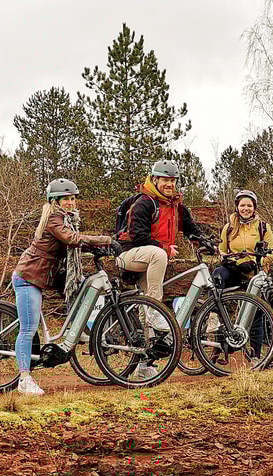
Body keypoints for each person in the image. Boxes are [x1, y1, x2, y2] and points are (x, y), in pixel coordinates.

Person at [11, 178, 122, 395]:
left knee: (81, 288)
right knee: (28, 329)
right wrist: (105, 240)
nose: (71, 202)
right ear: (55, 201)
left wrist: (96, 249)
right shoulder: (54, 218)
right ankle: (24, 379)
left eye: (73, 198)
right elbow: (71, 239)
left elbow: (72, 244)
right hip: (29, 276)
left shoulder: (68, 219)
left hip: (47, 275)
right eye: (66, 199)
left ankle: (77, 329)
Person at [116, 158, 204, 379]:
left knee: (146, 310)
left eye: (173, 181)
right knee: (153, 301)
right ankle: (156, 310)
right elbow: (137, 235)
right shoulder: (145, 202)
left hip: (151, 259)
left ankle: (144, 364)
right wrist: (164, 248)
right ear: (154, 179)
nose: (169, 184)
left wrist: (208, 242)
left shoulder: (175, 206)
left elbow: (192, 228)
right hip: (129, 255)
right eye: (165, 179)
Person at [213, 189, 273, 358]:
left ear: (254, 208)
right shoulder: (229, 227)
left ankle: (255, 355)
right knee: (217, 276)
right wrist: (231, 262)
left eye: (249, 205)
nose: (245, 208)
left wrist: (258, 262)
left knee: (256, 311)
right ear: (237, 207)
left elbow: (271, 252)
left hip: (255, 272)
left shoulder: (263, 227)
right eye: (242, 205)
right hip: (235, 270)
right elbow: (221, 250)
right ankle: (220, 320)